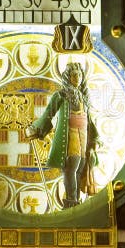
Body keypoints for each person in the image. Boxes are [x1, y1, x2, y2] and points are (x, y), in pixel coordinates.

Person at [26, 62, 99, 208]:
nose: (77, 78)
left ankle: (76, 202)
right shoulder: (61, 95)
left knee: (80, 168)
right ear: (68, 77)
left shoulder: (83, 97)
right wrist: (35, 129)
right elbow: (48, 113)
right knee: (71, 167)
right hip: (70, 136)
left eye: (79, 75)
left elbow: (89, 120)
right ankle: (71, 202)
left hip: (83, 136)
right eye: (74, 75)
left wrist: (94, 140)